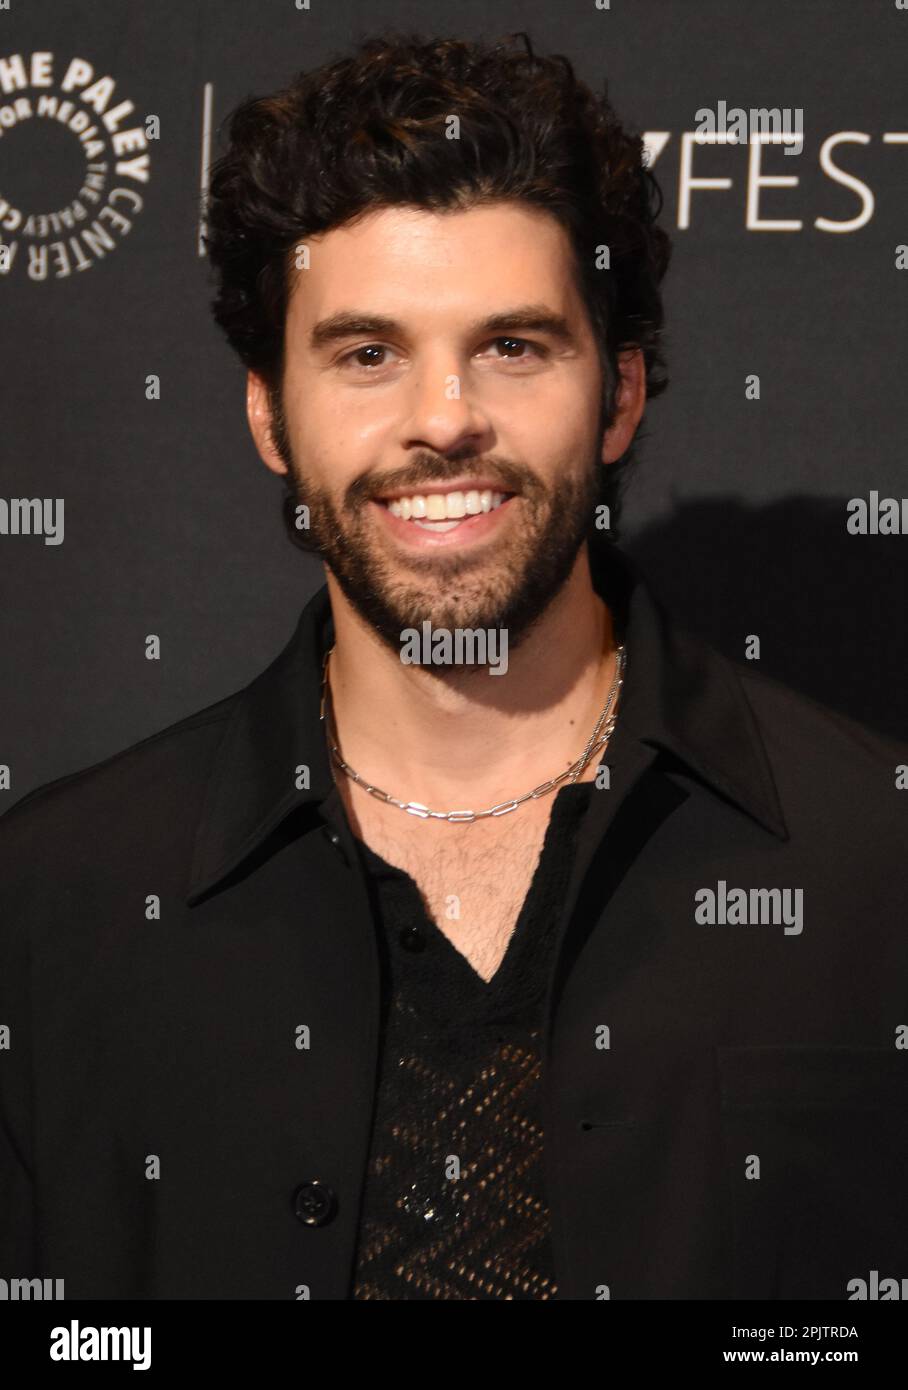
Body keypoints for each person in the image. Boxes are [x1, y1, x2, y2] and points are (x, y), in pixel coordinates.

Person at [1, 31, 905, 1302]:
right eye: (366, 354)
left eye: (513, 347)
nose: (443, 418)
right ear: (269, 413)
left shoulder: (874, 865)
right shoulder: (54, 903)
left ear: (621, 393)